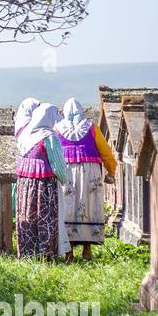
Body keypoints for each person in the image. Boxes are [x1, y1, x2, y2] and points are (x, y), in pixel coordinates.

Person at [55, 97, 117, 261]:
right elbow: (106, 152)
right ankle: (87, 249)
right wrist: (111, 172)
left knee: (67, 208)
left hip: (66, 172)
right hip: (89, 172)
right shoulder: (91, 128)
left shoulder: (57, 129)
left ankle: (68, 252)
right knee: (89, 208)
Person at [14, 101, 70, 259]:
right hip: (44, 186)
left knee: (27, 216)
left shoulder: (25, 136)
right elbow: (58, 164)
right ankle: (46, 252)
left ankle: (27, 251)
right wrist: (65, 181)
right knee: (44, 217)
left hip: (25, 184)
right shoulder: (49, 137)